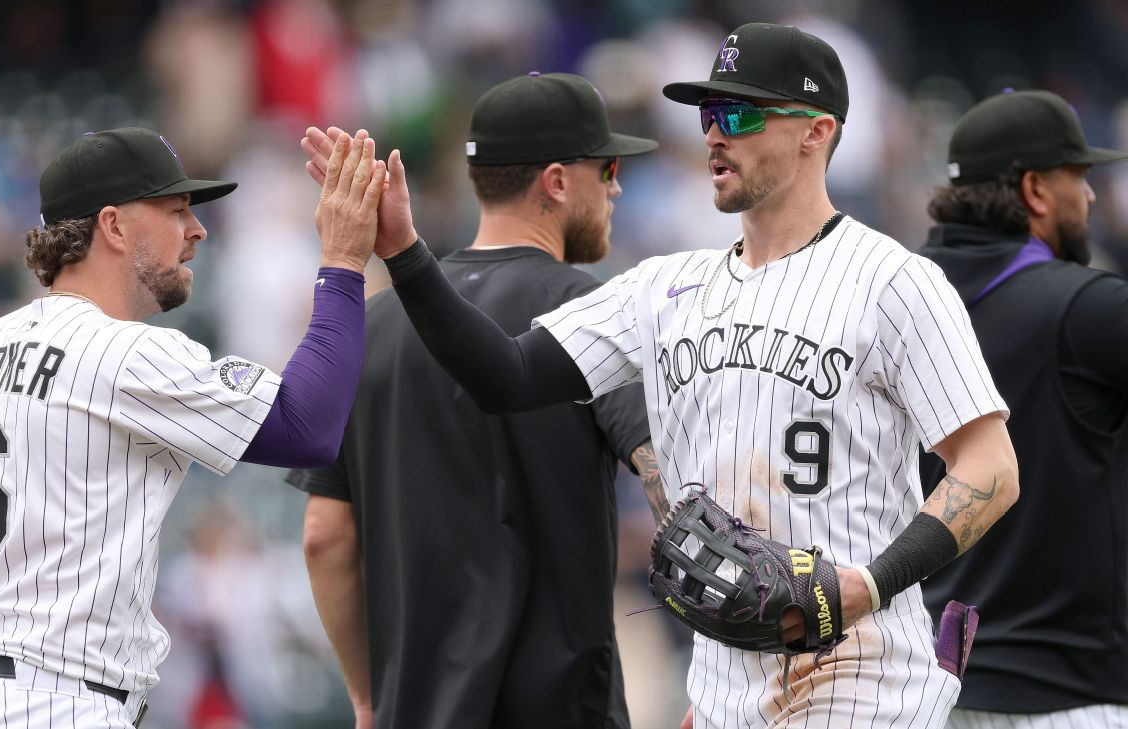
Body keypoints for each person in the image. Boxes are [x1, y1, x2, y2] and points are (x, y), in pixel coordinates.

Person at [304, 23, 1020, 729]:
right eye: (708, 114)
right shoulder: (663, 288)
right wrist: (403, 252)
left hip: (862, 684)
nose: (713, 133)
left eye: (738, 113)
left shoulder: (895, 281)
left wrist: (873, 582)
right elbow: (506, 375)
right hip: (723, 696)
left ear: (817, 131)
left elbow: (990, 466)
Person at [0, 126, 387, 729]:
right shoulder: (128, 353)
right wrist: (342, 262)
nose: (197, 230)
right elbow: (306, 427)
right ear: (113, 226)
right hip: (62, 703)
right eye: (177, 210)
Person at [289, 72, 661, 729]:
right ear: (555, 181)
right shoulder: (596, 312)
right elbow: (667, 475)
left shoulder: (372, 325)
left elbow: (324, 537)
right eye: (606, 167)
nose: (616, 186)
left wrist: (367, 697)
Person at [917, 89, 1128, 728]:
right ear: (1036, 190)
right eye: (1080, 178)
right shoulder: (1085, 307)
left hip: (922, 691)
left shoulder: (890, 306)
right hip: (1068, 697)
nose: (1090, 197)